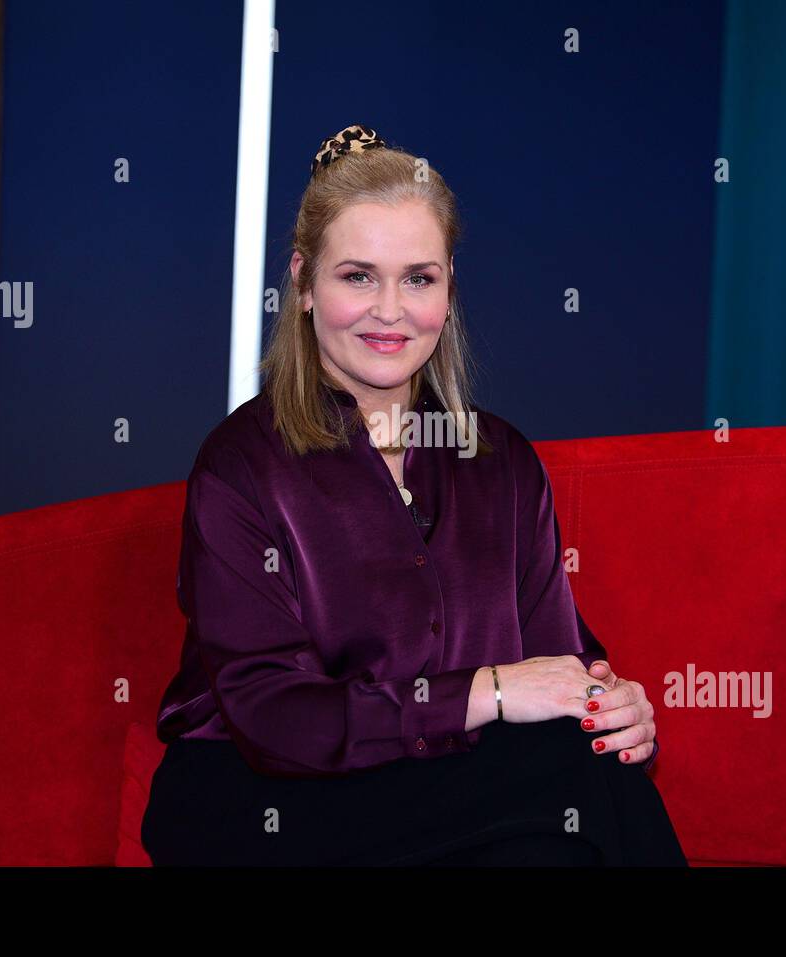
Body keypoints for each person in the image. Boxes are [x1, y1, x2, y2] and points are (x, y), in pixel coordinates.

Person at [141, 124, 686, 867]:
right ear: (303, 284)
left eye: (418, 278)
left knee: (567, 801)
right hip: (261, 803)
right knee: (566, 786)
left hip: (445, 789)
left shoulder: (501, 461)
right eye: (357, 276)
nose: (390, 311)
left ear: (449, 286)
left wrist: (611, 705)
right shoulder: (240, 465)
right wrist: (489, 690)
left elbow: (559, 663)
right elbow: (276, 719)